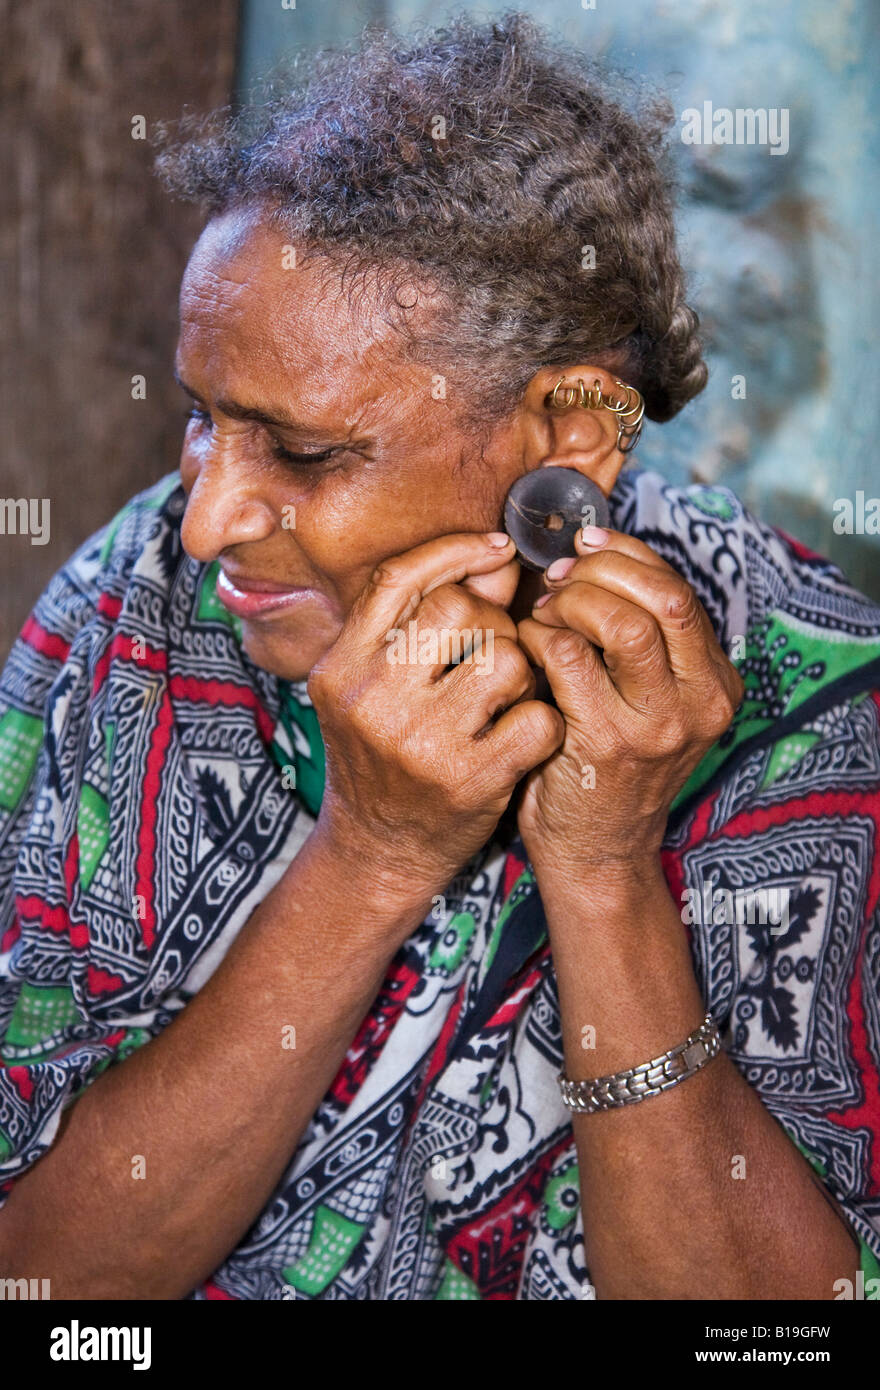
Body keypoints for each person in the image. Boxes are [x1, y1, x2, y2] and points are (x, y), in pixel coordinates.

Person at [1, 13, 878, 1301]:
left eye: (301, 452)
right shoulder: (143, 613)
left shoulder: (806, 705)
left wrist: (602, 869)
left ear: (567, 440)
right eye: (201, 418)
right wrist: (373, 854)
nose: (204, 518)